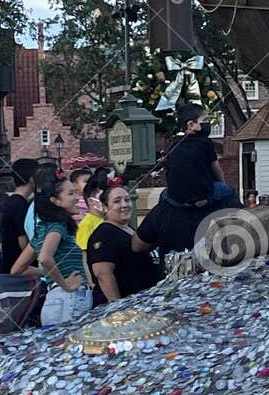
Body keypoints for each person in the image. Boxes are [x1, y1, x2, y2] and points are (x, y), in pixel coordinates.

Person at [133, 106, 241, 256]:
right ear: (191, 125)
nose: (208, 124)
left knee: (164, 194)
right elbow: (216, 169)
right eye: (205, 120)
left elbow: (137, 246)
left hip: (176, 197)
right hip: (205, 194)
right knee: (229, 190)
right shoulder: (205, 143)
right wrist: (222, 184)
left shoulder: (174, 145)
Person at [12, 177, 90, 326]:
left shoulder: (42, 230)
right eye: (71, 193)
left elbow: (18, 269)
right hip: (68, 300)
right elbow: (45, 258)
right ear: (55, 201)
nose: (76, 198)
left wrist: (49, 273)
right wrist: (65, 284)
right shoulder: (57, 227)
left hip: (57, 301)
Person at [88, 183, 163, 306]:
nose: (124, 205)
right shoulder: (104, 233)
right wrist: (118, 307)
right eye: (117, 201)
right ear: (105, 207)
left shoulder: (130, 229)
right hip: (125, 307)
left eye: (127, 200)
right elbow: (103, 273)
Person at [0, 159, 37, 271]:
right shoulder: (19, 205)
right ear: (32, 179)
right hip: (19, 268)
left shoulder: (12, 202)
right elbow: (23, 242)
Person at [75, 170, 110, 251]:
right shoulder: (86, 225)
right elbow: (84, 254)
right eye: (103, 198)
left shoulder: (112, 219)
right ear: (90, 201)